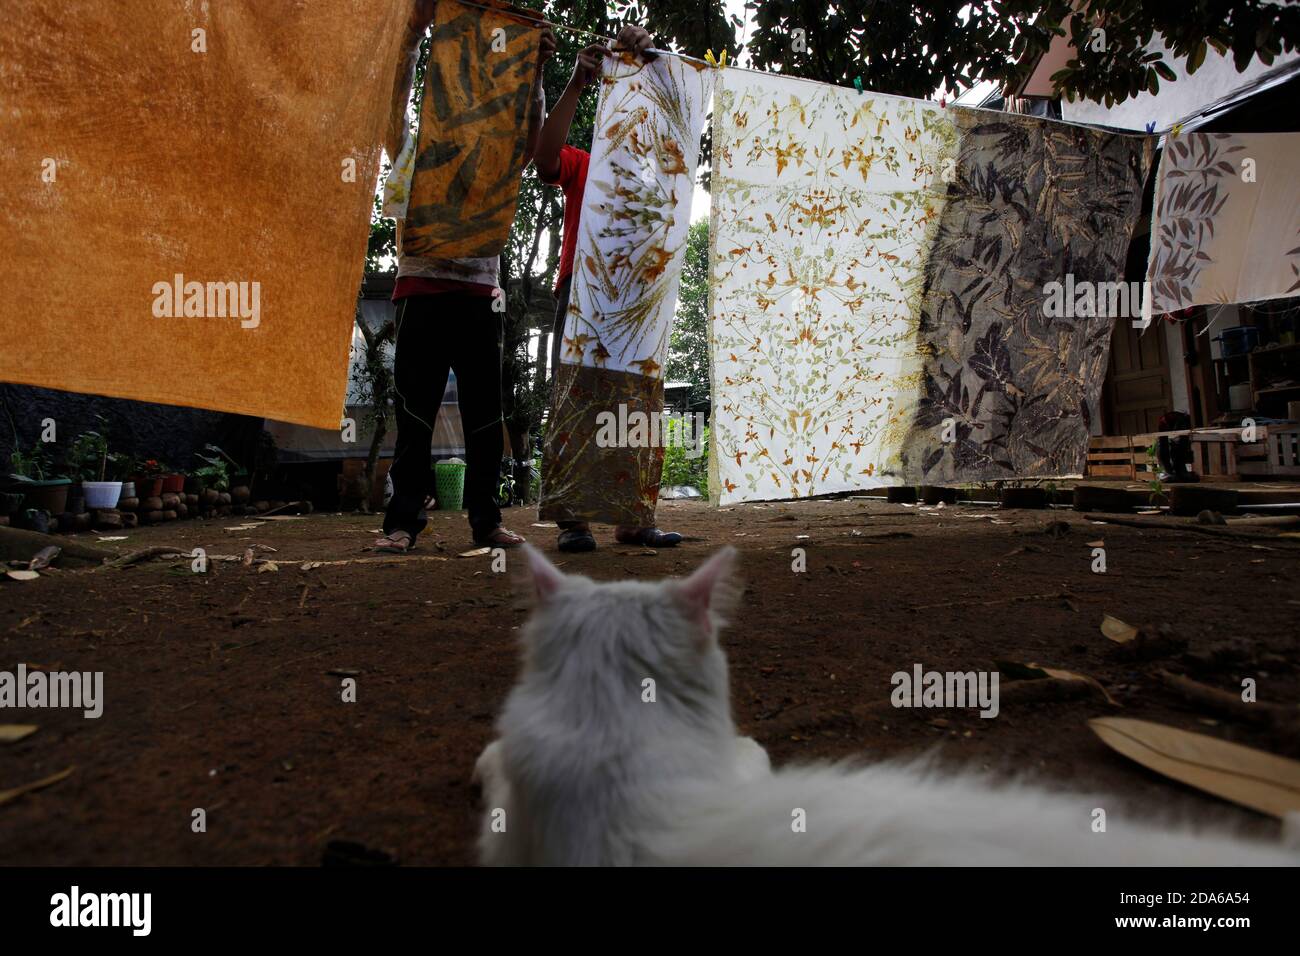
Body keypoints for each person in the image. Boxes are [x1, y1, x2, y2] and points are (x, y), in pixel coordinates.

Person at [374, 3, 556, 554]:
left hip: (481, 296)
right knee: (414, 415)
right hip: (421, 292)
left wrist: (537, 73)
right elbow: (391, 104)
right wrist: (411, 32)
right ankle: (402, 522)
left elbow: (528, 142)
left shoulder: (493, 155)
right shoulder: (411, 152)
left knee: (484, 418)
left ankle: (487, 521)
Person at [533, 25, 683, 554]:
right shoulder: (587, 165)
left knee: (637, 409)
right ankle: (573, 521)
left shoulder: (663, 180)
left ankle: (633, 517)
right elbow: (544, 157)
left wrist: (654, 55)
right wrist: (577, 81)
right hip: (583, 294)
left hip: (638, 304)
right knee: (577, 399)